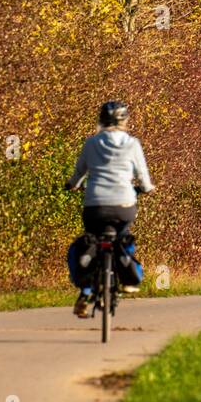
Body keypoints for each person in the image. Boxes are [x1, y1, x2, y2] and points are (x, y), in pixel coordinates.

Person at [65, 100, 155, 315]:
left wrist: (72, 185)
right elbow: (142, 176)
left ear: (101, 120)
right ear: (125, 121)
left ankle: (86, 290)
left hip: (95, 206)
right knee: (123, 237)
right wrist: (147, 188)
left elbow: (79, 175)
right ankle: (128, 277)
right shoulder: (133, 144)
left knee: (90, 240)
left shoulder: (92, 143)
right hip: (124, 205)